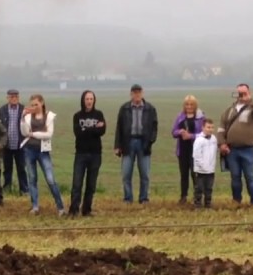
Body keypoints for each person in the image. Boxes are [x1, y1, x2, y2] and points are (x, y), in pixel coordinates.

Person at [218, 83, 253, 206]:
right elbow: (221, 129)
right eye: (239, 93)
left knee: (250, 177)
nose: (241, 95)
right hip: (232, 150)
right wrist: (222, 144)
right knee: (235, 177)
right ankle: (236, 201)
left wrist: (250, 101)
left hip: (248, 149)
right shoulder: (229, 111)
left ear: (249, 93)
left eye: (244, 92)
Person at [20, 94, 66, 216]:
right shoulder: (28, 117)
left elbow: (48, 134)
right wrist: (23, 119)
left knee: (50, 179)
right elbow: (24, 132)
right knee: (32, 179)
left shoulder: (48, 116)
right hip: (29, 150)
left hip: (43, 151)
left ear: (42, 103)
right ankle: (35, 206)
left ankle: (60, 207)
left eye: (36, 104)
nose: (34, 107)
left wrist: (33, 134)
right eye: (32, 105)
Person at [113, 83, 158, 204]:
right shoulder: (124, 108)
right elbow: (119, 128)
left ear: (142, 93)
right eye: (135, 92)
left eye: (139, 92)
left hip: (144, 143)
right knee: (126, 173)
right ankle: (128, 198)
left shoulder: (150, 109)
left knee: (145, 174)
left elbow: (154, 127)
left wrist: (151, 140)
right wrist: (117, 146)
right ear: (131, 94)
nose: (137, 95)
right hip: (128, 143)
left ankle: (144, 198)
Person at [67, 89, 106, 217]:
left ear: (94, 100)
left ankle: (87, 210)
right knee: (77, 183)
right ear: (83, 100)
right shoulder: (77, 116)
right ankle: (73, 210)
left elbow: (102, 131)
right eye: (87, 99)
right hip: (81, 154)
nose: (89, 101)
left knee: (91, 184)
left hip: (95, 154)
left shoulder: (99, 114)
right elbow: (78, 133)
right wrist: (94, 128)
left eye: (91, 99)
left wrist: (86, 129)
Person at [171, 94, 206, 205]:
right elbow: (173, 132)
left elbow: (204, 133)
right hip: (182, 150)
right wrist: (180, 132)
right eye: (187, 104)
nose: (189, 106)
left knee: (195, 175)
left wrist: (190, 136)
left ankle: (198, 197)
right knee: (184, 175)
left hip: (196, 150)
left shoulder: (201, 117)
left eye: (191, 104)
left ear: (195, 105)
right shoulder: (180, 116)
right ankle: (183, 196)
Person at [0, 89, 28, 196]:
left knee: (22, 168)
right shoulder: (2, 110)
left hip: (21, 145)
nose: (14, 99)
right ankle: (7, 189)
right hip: (7, 145)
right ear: (7, 98)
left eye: (16, 96)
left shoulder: (24, 109)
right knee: (7, 169)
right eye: (12, 97)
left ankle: (24, 190)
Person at [192, 119, 219, 209]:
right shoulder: (199, 140)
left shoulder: (214, 139)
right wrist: (202, 166)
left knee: (209, 188)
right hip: (200, 170)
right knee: (199, 188)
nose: (210, 129)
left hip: (210, 169)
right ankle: (197, 204)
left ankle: (208, 204)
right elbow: (196, 155)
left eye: (212, 127)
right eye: (208, 127)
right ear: (203, 127)